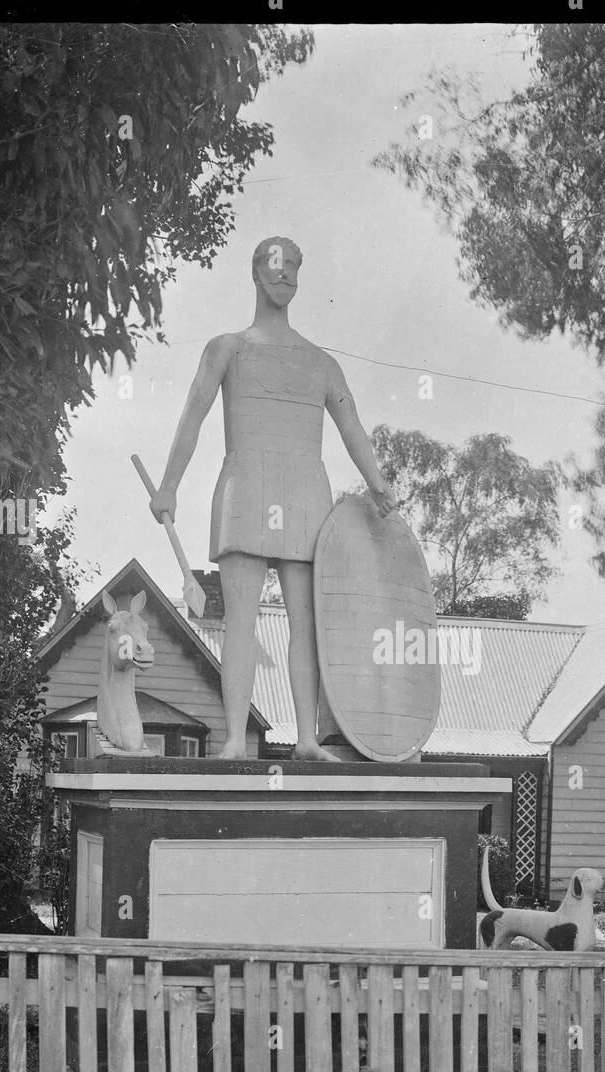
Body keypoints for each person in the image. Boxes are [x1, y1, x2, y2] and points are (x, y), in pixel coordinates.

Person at [150, 237, 396, 758]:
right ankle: (236, 740)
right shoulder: (226, 348)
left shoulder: (321, 363)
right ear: (255, 273)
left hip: (307, 493)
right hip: (245, 486)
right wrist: (170, 483)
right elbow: (192, 416)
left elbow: (351, 425)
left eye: (292, 269)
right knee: (240, 619)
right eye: (274, 266)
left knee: (305, 624)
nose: (282, 277)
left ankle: (306, 739)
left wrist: (378, 483)